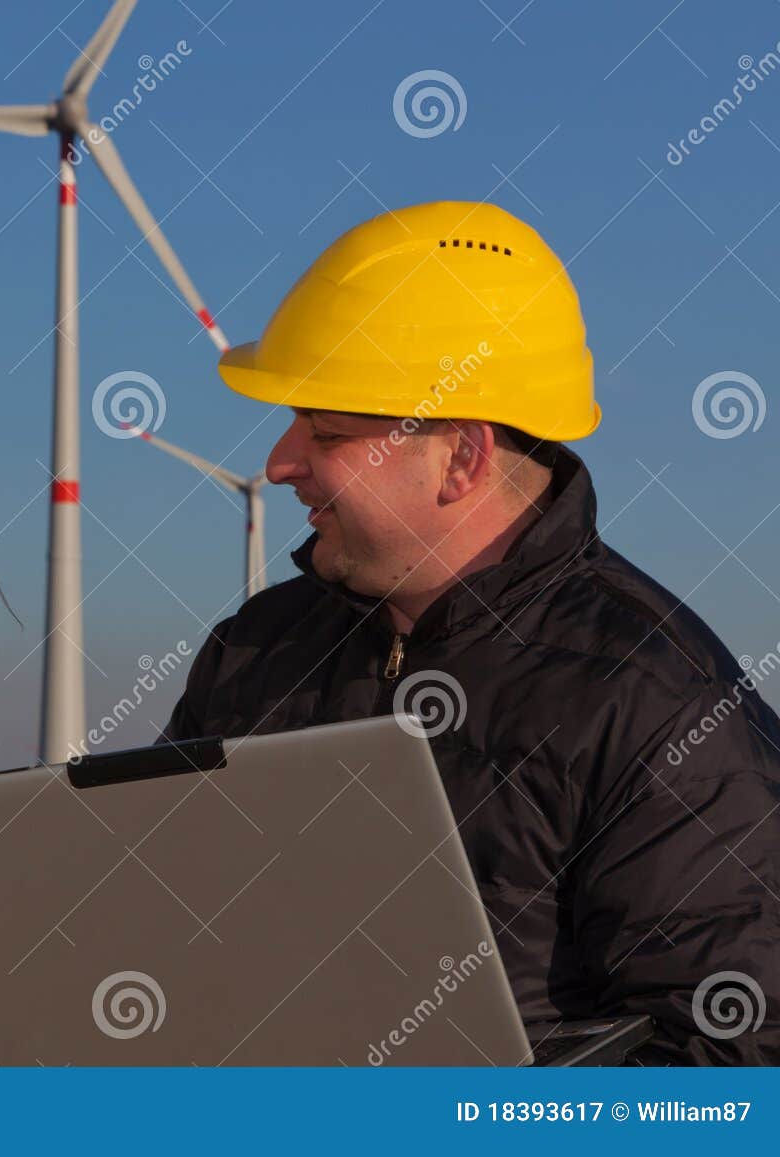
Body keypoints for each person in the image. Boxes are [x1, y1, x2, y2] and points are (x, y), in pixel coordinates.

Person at [161, 200, 780, 1065]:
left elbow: (728, 1067)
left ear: (461, 457)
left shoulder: (663, 706)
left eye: (326, 431)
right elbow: (153, 919)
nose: (278, 463)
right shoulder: (255, 650)